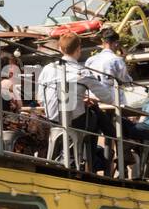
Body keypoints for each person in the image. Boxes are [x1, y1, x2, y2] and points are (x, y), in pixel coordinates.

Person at [37, 32, 114, 170]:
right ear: (79, 49)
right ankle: (89, 163)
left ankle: (67, 155)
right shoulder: (82, 72)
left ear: (60, 49)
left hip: (52, 120)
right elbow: (108, 98)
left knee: (85, 116)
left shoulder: (47, 69)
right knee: (95, 118)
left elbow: (40, 99)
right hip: (75, 122)